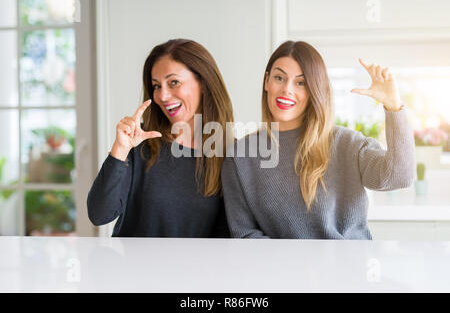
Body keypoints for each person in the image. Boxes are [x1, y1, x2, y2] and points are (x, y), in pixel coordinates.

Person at [221, 40, 415, 239]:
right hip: (282, 269)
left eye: (301, 82)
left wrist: (393, 106)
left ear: (314, 89)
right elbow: (245, 234)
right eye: (279, 78)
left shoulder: (347, 143)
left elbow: (400, 176)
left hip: (349, 267)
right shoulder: (241, 156)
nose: (287, 89)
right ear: (266, 82)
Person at [87, 39, 234, 237]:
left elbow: (228, 239)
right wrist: (119, 151)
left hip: (197, 268)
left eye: (174, 82)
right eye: (156, 86)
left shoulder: (230, 155)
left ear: (204, 83)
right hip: (133, 267)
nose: (162, 96)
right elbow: (99, 214)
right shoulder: (140, 144)